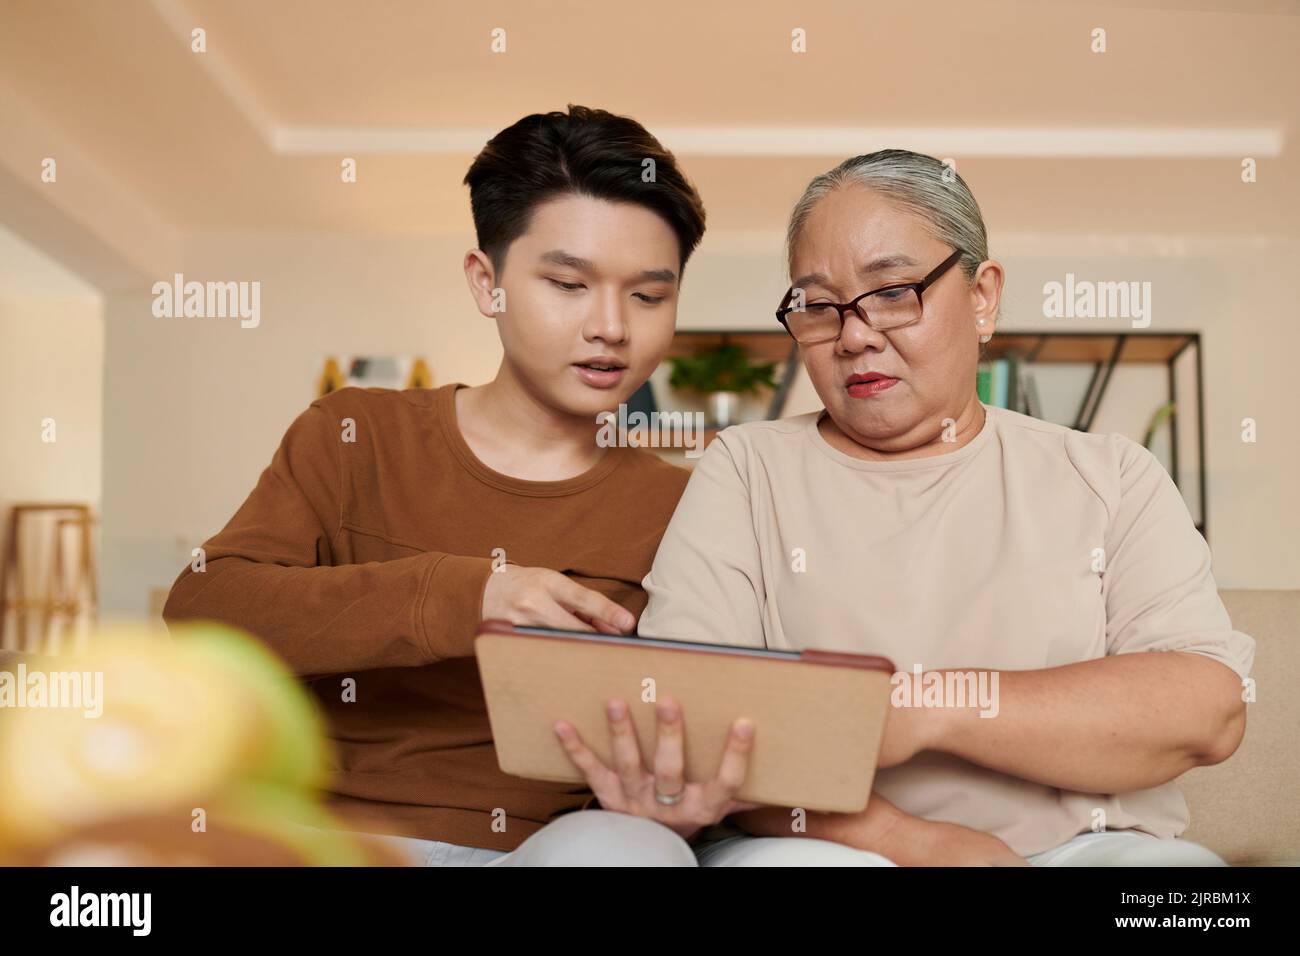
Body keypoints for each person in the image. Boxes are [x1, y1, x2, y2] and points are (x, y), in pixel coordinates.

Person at [624, 148, 1253, 866]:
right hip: (828, 848)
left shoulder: (1111, 475)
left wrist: (927, 707)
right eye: (819, 306)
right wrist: (911, 842)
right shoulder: (744, 469)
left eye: (893, 292)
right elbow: (693, 721)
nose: (855, 335)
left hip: (1087, 850)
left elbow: (1205, 710)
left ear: (983, 296)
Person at [163, 105, 754, 866]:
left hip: (553, 849)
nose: (611, 327)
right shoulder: (355, 433)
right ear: (487, 282)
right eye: (567, 283)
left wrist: (676, 805)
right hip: (334, 837)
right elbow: (204, 609)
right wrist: (470, 596)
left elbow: (689, 717)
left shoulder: (685, 502)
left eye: (648, 296)